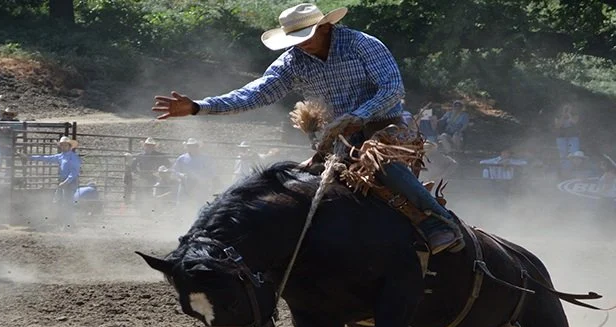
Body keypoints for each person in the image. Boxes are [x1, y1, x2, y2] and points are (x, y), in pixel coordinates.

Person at [151, 3, 461, 253]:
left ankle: (439, 221)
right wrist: (198, 106)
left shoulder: (362, 45)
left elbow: (392, 89)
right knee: (288, 182)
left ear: (326, 27)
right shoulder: (293, 62)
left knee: (381, 165)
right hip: (337, 141)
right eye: (295, 41)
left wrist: (357, 115)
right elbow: (256, 93)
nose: (302, 46)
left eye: (307, 37)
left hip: (386, 130)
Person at [171, 138, 213, 204]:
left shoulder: (205, 158)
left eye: (194, 146)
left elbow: (211, 171)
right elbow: (174, 170)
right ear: (187, 147)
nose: (192, 148)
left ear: (197, 147)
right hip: (185, 184)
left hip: (200, 185)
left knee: (200, 202)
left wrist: (204, 178)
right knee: (183, 203)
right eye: (189, 146)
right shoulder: (181, 158)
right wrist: (181, 175)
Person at [127, 138, 169, 204]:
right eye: (148, 145)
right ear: (145, 146)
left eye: (151, 145)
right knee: (141, 192)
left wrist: (159, 172)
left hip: (154, 177)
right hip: (144, 177)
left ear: (154, 146)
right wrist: (138, 173)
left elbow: (168, 164)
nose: (149, 147)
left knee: (153, 191)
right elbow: (133, 167)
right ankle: (141, 206)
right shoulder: (140, 155)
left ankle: (152, 205)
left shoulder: (159, 155)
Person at [554, 103, 581, 171]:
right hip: (561, 137)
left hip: (573, 137)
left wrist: (569, 114)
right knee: (563, 155)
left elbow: (574, 122)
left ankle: (575, 169)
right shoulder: (558, 116)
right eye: (565, 108)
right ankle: (565, 170)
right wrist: (563, 115)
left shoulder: (575, 115)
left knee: (574, 153)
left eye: (568, 108)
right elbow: (558, 126)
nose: (567, 109)